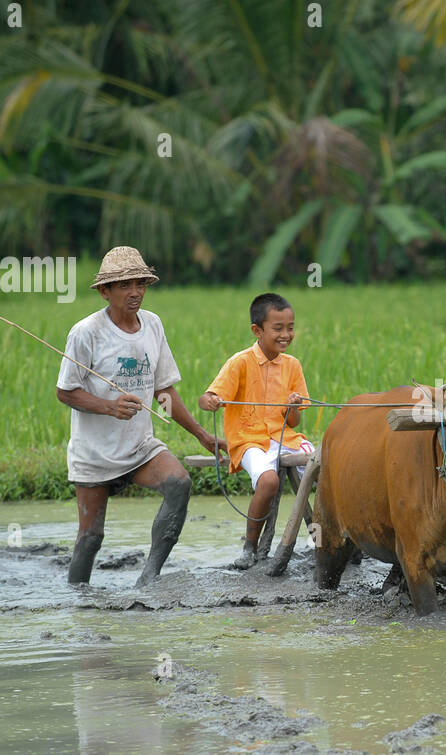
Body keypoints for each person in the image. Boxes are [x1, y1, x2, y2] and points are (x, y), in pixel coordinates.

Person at [55, 246, 225, 586]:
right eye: (125, 285)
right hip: (94, 453)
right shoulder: (86, 332)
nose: (135, 293)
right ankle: (78, 599)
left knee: (178, 483)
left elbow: (164, 392)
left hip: (139, 447)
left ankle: (148, 577)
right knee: (91, 538)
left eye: (141, 284)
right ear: (105, 291)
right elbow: (66, 391)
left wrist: (201, 435)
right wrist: (109, 407)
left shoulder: (153, 325)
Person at [199, 292, 312, 569]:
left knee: (325, 465)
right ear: (257, 330)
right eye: (278, 328)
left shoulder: (292, 366)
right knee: (269, 482)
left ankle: (328, 539)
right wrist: (212, 402)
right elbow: (206, 398)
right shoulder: (240, 362)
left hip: (286, 438)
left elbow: (294, 422)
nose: (286, 334)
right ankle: (250, 547)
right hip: (248, 439)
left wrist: (293, 406)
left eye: (290, 327)